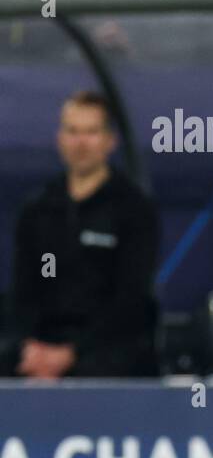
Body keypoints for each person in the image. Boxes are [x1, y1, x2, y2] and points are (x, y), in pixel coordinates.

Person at [5, 92, 160, 378]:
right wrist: (31, 346)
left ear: (109, 140)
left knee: (111, 363)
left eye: (91, 132)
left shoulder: (133, 210)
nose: (81, 143)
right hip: (43, 342)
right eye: (73, 131)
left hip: (107, 346)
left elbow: (131, 300)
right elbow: (23, 291)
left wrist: (71, 352)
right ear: (60, 138)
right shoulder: (39, 209)